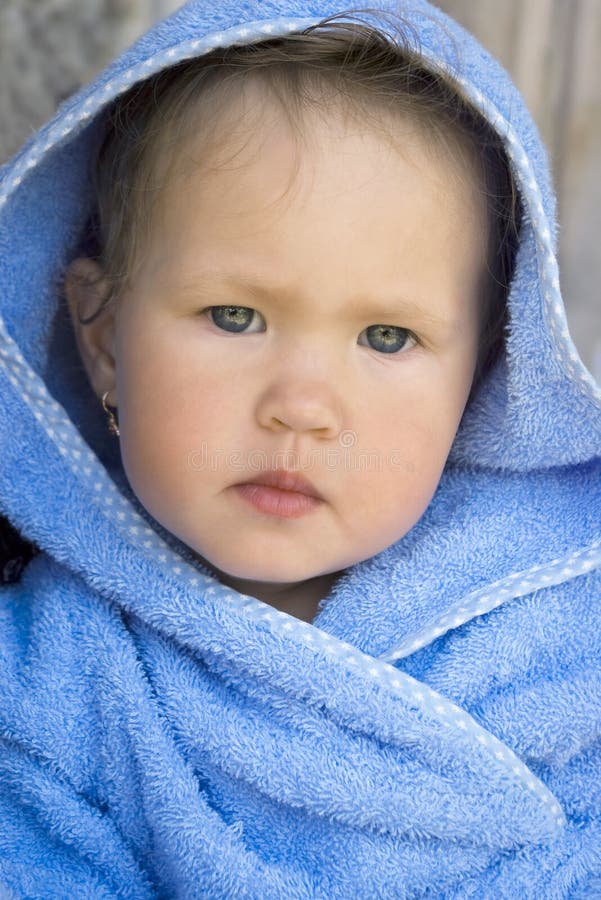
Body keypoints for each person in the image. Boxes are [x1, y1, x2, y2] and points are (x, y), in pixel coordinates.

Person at [0, 1, 599, 896]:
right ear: (103, 339)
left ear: (480, 376)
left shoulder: (562, 618)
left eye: (386, 337)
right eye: (234, 316)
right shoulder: (44, 680)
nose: (301, 409)